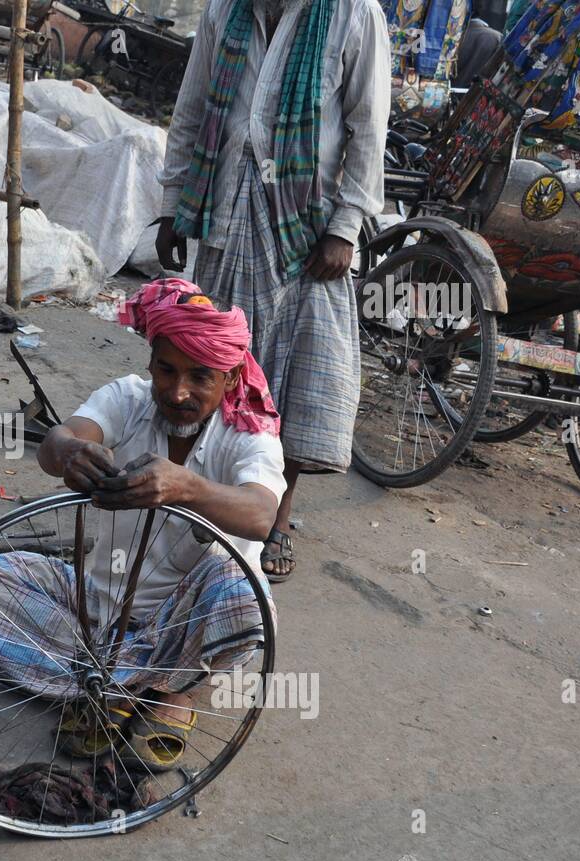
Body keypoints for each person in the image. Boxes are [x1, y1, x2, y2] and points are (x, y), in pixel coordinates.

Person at [0, 278, 285, 772]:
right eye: (166, 371)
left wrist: (188, 488)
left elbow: (261, 516)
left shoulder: (248, 436)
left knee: (242, 592)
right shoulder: (128, 399)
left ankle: (152, 689)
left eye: (200, 377)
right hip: (97, 603)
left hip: (182, 620)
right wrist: (70, 453)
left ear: (232, 378)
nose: (178, 392)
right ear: (149, 364)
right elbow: (55, 442)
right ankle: (132, 687)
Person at [155, 0, 389, 582]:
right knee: (210, 370)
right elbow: (191, 108)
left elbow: (368, 126)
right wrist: (171, 207)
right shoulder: (223, 11)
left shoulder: (353, 13)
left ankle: (276, 520)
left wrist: (345, 227)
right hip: (225, 212)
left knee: (297, 382)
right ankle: (198, 502)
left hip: (306, 225)